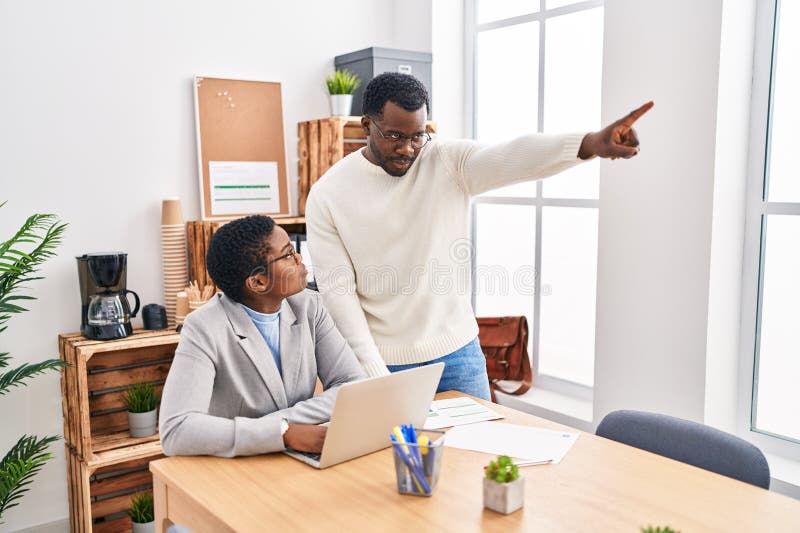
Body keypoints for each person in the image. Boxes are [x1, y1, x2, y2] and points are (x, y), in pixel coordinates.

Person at [306, 72, 653, 401]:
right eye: (395, 136)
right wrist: (374, 375)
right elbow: (339, 296)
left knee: (477, 445)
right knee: (394, 448)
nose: (408, 149)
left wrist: (589, 144)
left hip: (459, 356)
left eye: (417, 136)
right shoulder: (328, 195)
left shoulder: (445, 160)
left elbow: (511, 156)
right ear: (367, 125)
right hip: (385, 362)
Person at [159, 215, 365, 457]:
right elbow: (176, 429)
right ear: (258, 282)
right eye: (288, 254)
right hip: (239, 464)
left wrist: (282, 427)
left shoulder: (310, 306)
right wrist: (282, 433)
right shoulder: (203, 327)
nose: (300, 258)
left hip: (299, 455)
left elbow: (352, 385)